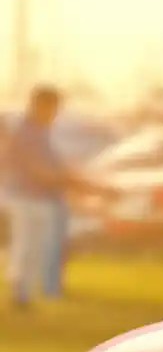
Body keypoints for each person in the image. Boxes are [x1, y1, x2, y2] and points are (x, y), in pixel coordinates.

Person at [4, 86, 112, 309]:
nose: (55, 114)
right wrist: (77, 183)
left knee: (33, 247)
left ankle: (25, 293)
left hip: (38, 197)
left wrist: (80, 183)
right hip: (27, 197)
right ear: (40, 105)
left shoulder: (39, 133)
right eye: (53, 108)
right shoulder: (27, 134)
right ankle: (20, 294)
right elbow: (40, 171)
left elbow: (55, 167)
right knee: (28, 245)